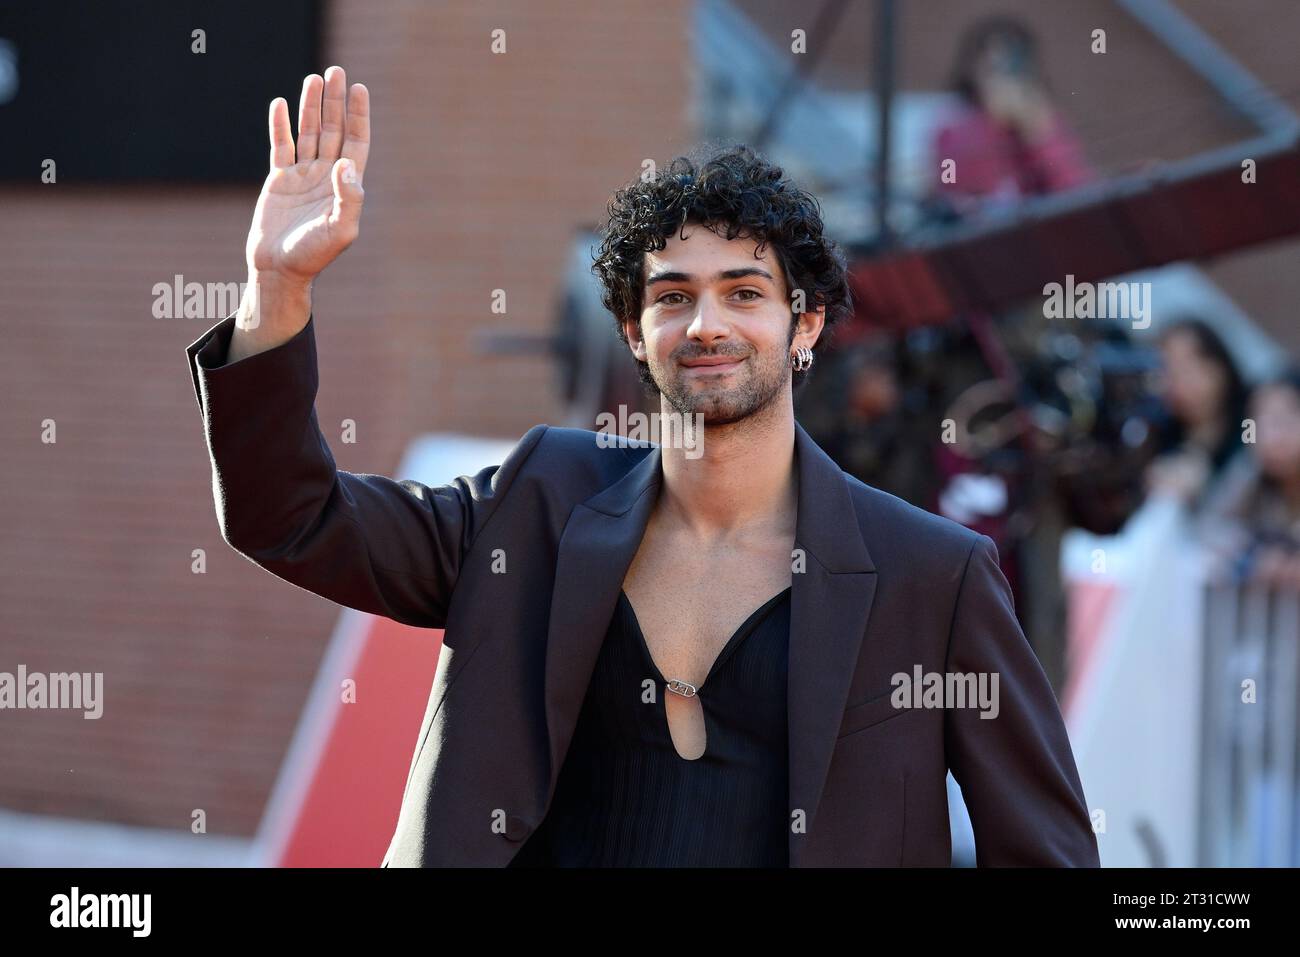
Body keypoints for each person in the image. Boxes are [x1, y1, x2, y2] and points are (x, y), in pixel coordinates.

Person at [185, 65, 1099, 867]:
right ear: (634, 331)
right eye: (673, 297)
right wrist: (279, 288)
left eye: (745, 292)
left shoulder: (930, 576)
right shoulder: (539, 499)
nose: (706, 324)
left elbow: (1046, 850)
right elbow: (289, 515)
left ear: (806, 324)